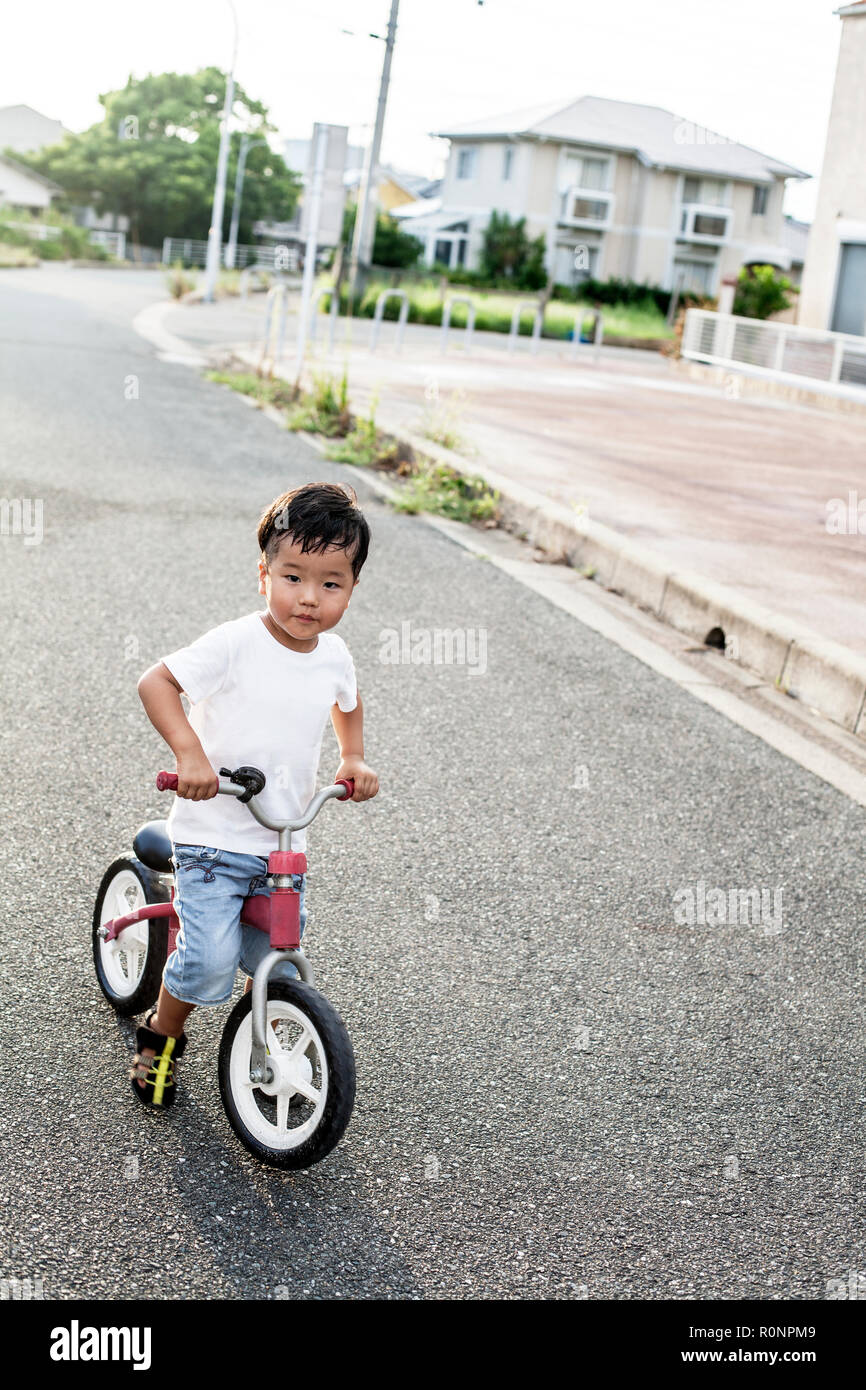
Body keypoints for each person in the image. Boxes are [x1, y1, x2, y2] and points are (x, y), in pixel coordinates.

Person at [130, 481, 379, 1107]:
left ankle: (255, 1040)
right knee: (211, 962)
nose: (308, 598)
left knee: (279, 959)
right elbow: (156, 681)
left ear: (351, 589)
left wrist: (352, 757)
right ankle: (162, 1034)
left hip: (281, 842)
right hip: (214, 837)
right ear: (262, 575)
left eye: (330, 584)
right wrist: (190, 754)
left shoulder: (334, 654)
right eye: (292, 577)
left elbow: (345, 703)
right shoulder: (237, 643)